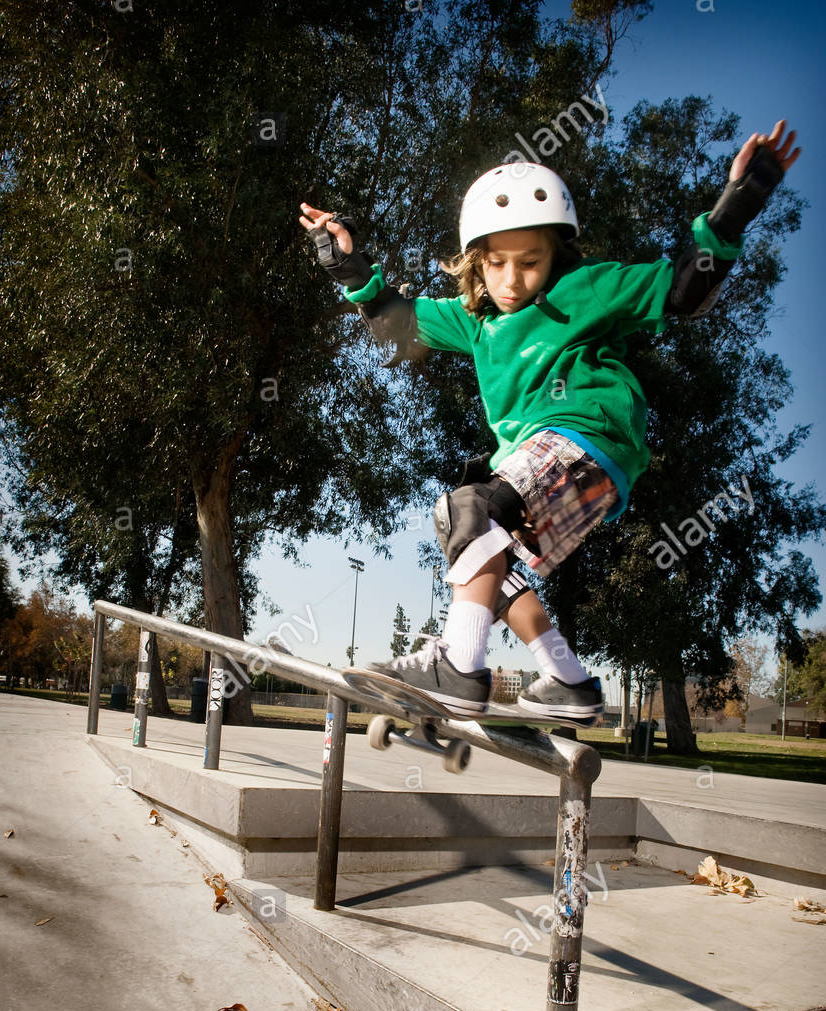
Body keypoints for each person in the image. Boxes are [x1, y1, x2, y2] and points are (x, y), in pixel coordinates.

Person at [300, 120, 800, 723]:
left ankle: (459, 669)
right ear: (476, 263)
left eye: (531, 263)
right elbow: (395, 320)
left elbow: (683, 290)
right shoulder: (474, 319)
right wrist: (349, 269)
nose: (513, 282)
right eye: (497, 266)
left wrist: (736, 206)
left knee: (473, 510)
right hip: (558, 465)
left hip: (587, 436)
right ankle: (569, 682)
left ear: (555, 253)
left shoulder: (586, 288)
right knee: (483, 556)